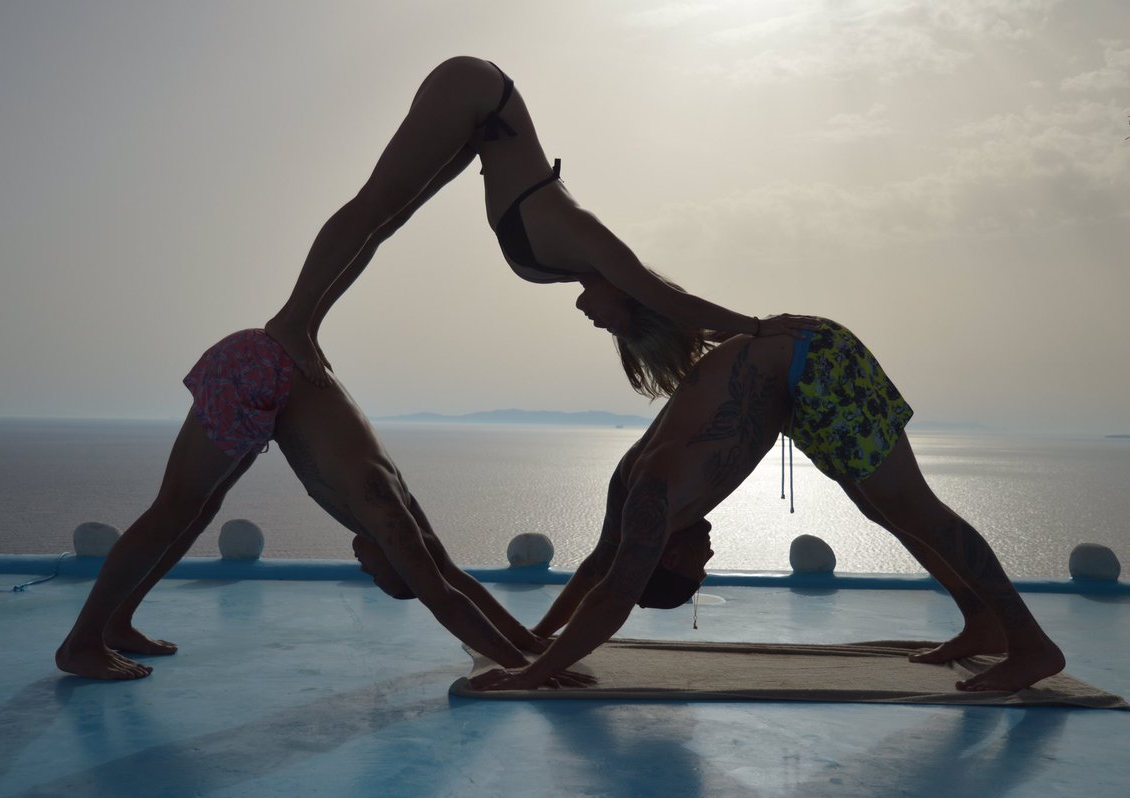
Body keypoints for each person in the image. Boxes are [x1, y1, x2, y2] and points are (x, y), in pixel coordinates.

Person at [466, 287, 1065, 693]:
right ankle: (982, 624)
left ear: (666, 554)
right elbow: (600, 568)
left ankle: (1031, 644)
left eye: (697, 568)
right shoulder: (638, 498)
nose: (709, 557)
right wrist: (537, 638)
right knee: (885, 509)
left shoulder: (650, 497)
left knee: (915, 509)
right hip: (799, 384)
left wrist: (535, 670)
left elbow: (614, 590)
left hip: (813, 361)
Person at [55, 328, 589, 686]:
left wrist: (532, 645)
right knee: (175, 507)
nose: (365, 568)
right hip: (260, 369)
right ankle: (82, 644)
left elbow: (448, 575)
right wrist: (527, 670)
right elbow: (442, 596)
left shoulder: (399, 515)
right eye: (380, 574)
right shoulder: (382, 508)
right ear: (394, 552)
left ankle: (118, 622)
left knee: (199, 507)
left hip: (272, 380)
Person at [263, 55, 817, 394]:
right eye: (614, 326)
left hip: (481, 121)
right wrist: (758, 327)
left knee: (384, 223)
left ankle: (305, 323)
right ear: (629, 299)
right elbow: (678, 306)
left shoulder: (571, 267)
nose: (598, 325)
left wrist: (726, 345)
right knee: (375, 207)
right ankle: (293, 320)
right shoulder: (598, 247)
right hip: (479, 92)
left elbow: (683, 322)